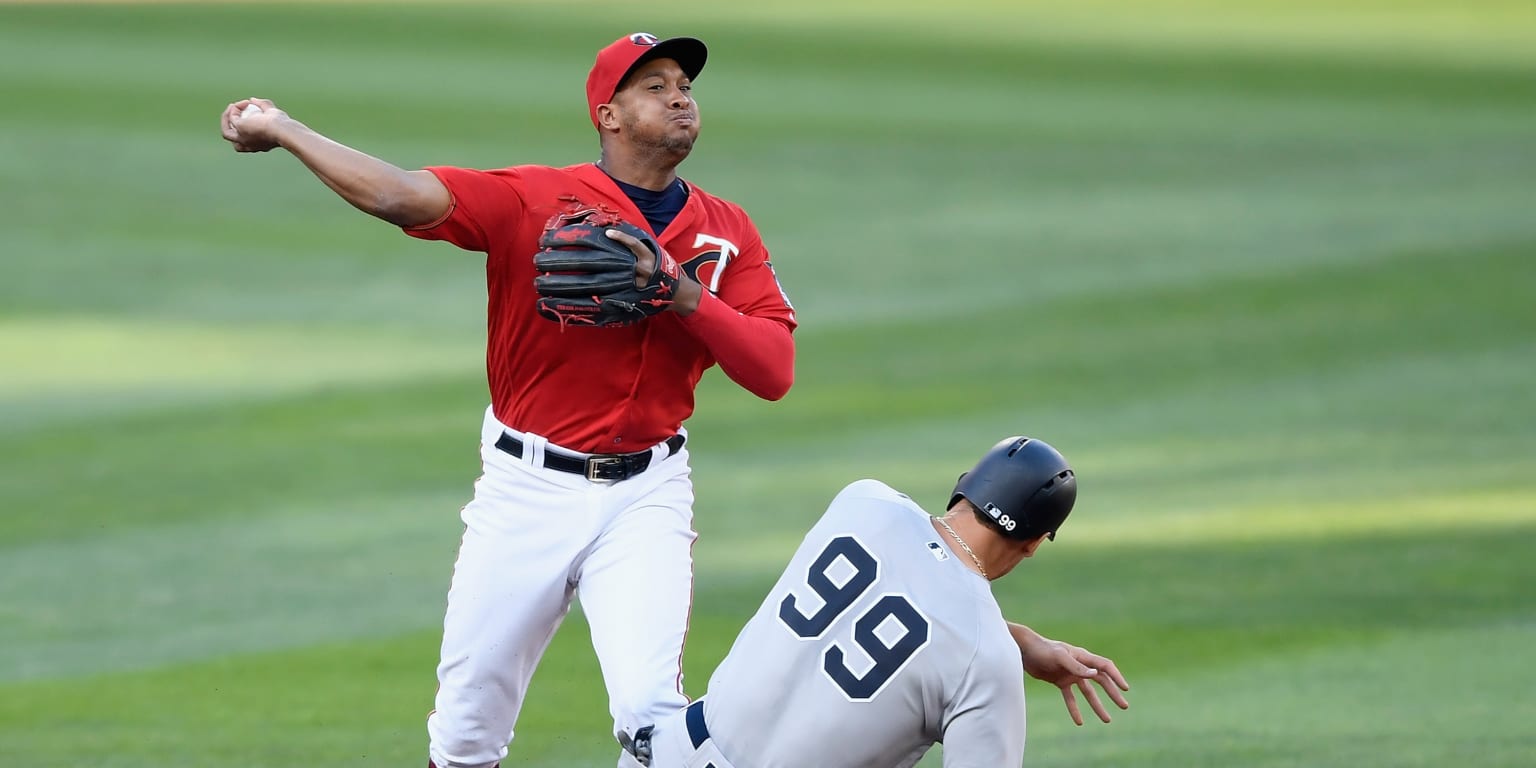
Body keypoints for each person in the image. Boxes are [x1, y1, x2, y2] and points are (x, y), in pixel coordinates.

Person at [220, 33, 798, 768]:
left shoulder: (728, 230)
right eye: (653, 86)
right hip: (526, 492)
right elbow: (400, 195)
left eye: (684, 83)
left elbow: (774, 370)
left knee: (659, 727)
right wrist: (283, 128)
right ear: (608, 115)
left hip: (647, 495)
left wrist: (681, 293)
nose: (680, 95)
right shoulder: (531, 198)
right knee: (466, 736)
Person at [632, 436, 1131, 767]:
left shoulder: (862, 501)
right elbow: (940, 629)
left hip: (669, 751)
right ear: (1034, 542)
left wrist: (1014, 640)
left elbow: (900, 594)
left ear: (963, 487)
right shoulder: (984, 659)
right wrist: (1007, 648)